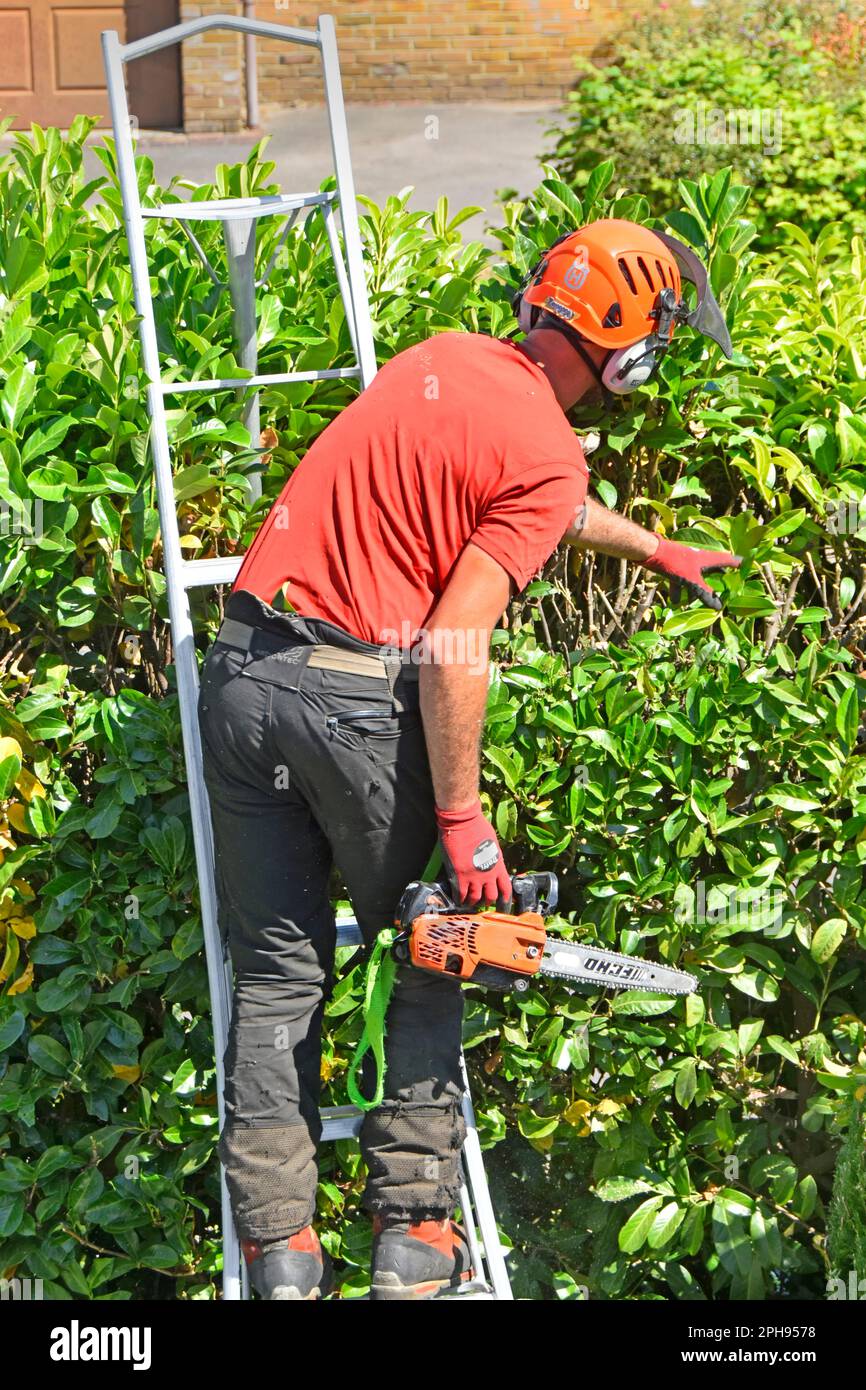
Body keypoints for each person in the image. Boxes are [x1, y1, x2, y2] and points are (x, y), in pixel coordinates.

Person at [196, 218, 741, 1300]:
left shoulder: (441, 363)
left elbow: (526, 494)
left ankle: (280, 1250)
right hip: (355, 699)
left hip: (243, 676)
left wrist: (649, 543)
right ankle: (414, 1231)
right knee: (444, 939)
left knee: (274, 974)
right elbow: (456, 638)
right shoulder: (547, 449)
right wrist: (463, 820)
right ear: (624, 345)